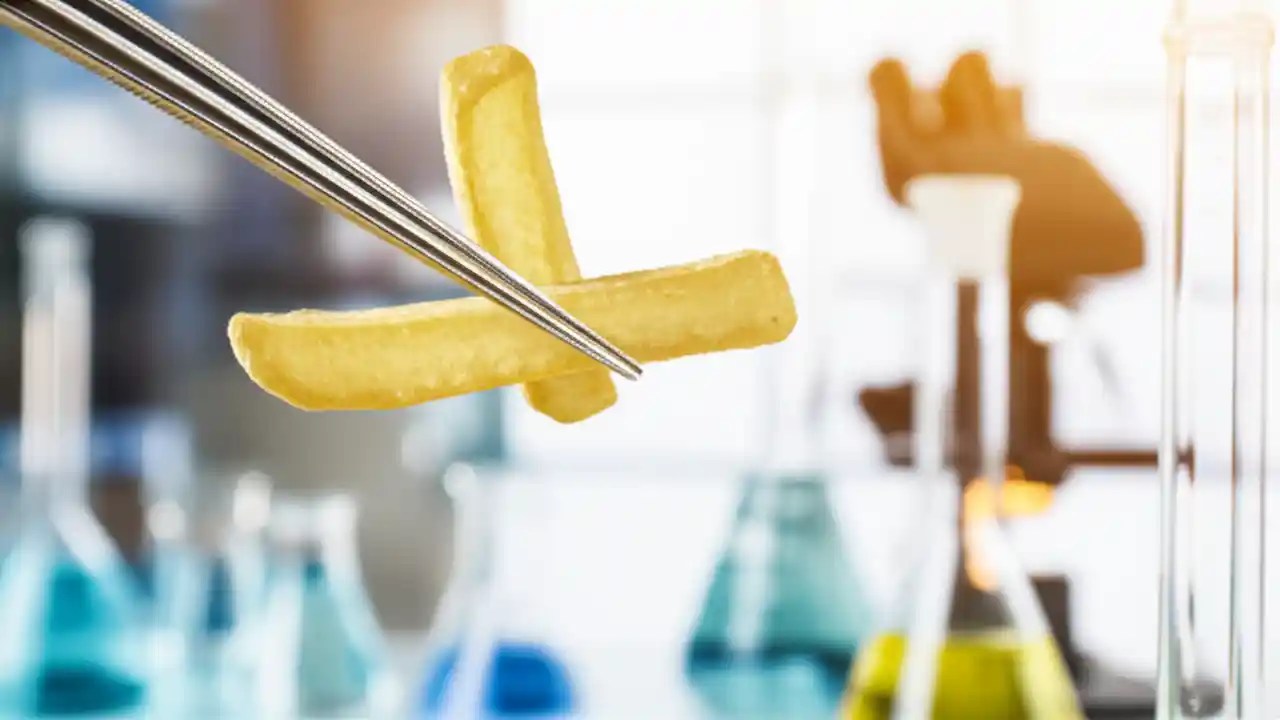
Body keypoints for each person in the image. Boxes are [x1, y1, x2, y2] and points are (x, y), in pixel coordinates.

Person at [858, 51, 1146, 486]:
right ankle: (1011, 439)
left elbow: (1129, 245)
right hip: (1025, 285)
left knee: (1007, 317)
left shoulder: (1029, 168)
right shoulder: (1042, 165)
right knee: (1000, 316)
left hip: (1043, 273)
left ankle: (1019, 442)